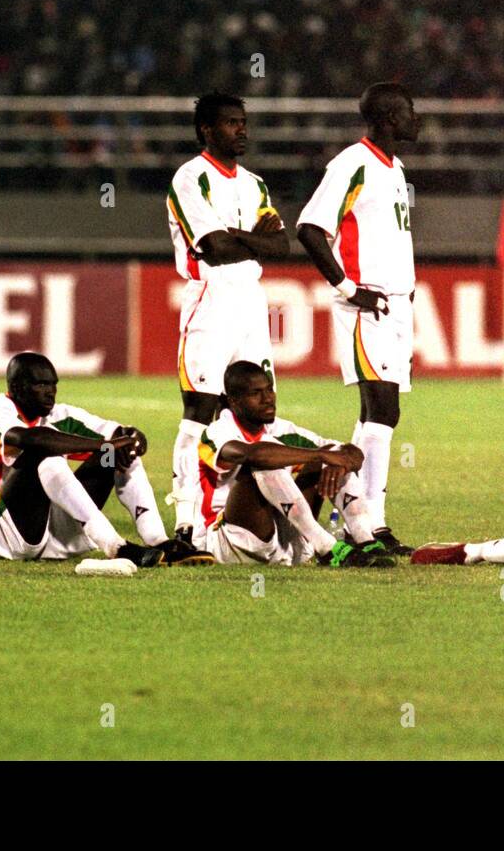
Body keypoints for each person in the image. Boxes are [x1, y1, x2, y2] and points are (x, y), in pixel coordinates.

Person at [296, 81, 420, 556]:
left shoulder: (394, 167)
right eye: (409, 111)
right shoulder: (353, 163)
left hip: (396, 305)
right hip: (366, 305)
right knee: (383, 409)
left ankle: (354, 516)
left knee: (377, 414)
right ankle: (371, 525)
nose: (417, 120)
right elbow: (310, 227)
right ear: (389, 118)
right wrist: (348, 288)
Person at [164, 92, 289, 546]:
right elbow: (211, 249)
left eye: (244, 122)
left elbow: (282, 246)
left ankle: (245, 508)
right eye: (232, 123)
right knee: (200, 408)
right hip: (210, 299)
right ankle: (185, 520)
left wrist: (239, 239)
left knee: (256, 408)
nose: (242, 130)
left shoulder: (254, 184)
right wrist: (252, 239)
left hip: (250, 302)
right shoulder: (189, 178)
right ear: (206, 130)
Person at [0, 352, 208, 565]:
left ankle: (158, 540)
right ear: (16, 388)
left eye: (53, 385)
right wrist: (103, 445)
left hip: (52, 536)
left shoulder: (57, 415)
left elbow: (124, 436)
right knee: (46, 455)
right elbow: (29, 439)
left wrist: (128, 440)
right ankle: (117, 547)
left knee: (117, 454)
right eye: (41, 385)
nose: (50, 393)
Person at [196, 361, 395, 567]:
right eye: (256, 393)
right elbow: (252, 454)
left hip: (286, 540)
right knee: (265, 459)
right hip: (229, 542)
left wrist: (337, 462)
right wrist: (319, 456)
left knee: (334, 455)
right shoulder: (218, 431)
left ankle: (365, 540)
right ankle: (326, 547)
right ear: (234, 401)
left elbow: (353, 455)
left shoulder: (281, 429)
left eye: (269, 390)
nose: (268, 399)